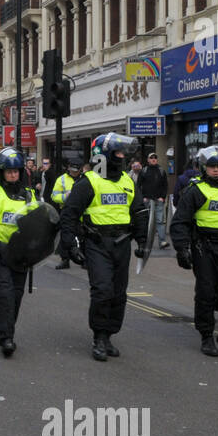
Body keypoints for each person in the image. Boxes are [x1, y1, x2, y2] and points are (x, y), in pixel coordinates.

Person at [59, 132, 148, 362]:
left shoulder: (128, 181)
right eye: (118, 153)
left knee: (119, 294)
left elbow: (138, 212)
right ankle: (98, 336)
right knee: (102, 290)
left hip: (122, 244)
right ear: (104, 156)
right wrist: (71, 245)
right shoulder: (89, 181)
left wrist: (143, 240)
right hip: (97, 243)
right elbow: (69, 215)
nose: (122, 157)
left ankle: (109, 334)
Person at [170, 146, 218, 358]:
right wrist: (182, 248)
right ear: (203, 168)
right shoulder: (195, 190)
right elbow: (180, 222)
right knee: (206, 292)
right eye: (212, 167)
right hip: (204, 246)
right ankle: (207, 335)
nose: (216, 170)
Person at [0, 147, 41, 357]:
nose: (13, 174)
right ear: (2, 172)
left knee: (16, 295)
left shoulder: (30, 195)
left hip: (21, 255)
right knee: (4, 294)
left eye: (16, 171)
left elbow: (38, 224)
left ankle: (8, 329)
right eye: (8, 171)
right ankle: (6, 337)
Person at [51, 160, 83, 269]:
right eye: (72, 170)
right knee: (65, 236)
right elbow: (54, 196)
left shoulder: (85, 179)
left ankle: (85, 260)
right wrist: (65, 197)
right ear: (68, 168)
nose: (74, 173)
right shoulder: (62, 179)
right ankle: (65, 259)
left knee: (83, 235)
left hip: (82, 211)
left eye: (76, 171)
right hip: (66, 211)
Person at [138, 151, 171, 249]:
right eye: (151, 158)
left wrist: (162, 197)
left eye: (155, 158)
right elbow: (138, 185)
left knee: (160, 221)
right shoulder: (143, 171)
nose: (153, 159)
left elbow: (165, 185)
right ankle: (145, 242)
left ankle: (162, 242)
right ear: (148, 160)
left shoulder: (161, 171)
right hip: (146, 200)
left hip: (158, 200)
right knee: (146, 222)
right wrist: (142, 197)